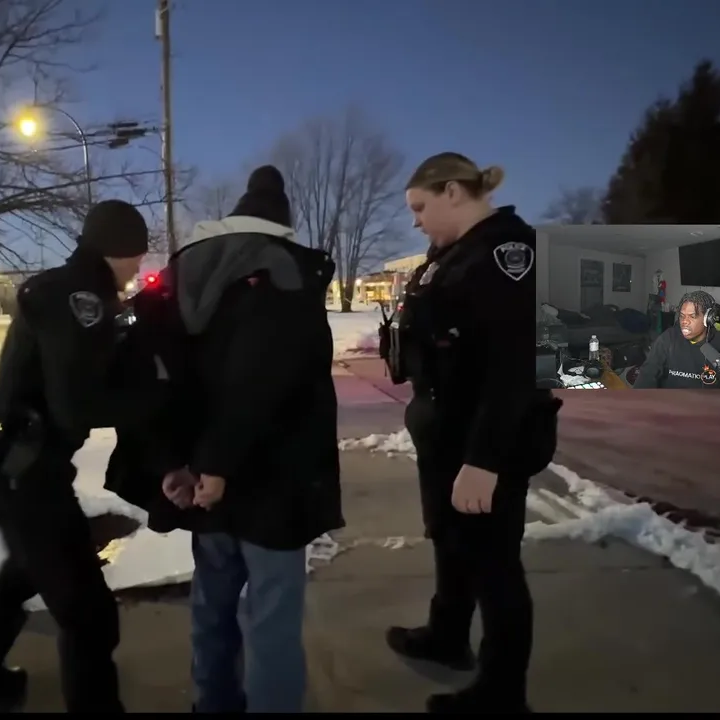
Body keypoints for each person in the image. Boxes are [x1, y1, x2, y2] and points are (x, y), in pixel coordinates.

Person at [110, 166, 343, 713]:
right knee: (272, 615)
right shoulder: (281, 270)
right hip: (273, 478)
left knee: (212, 600)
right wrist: (218, 465)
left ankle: (212, 701)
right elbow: (262, 378)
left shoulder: (180, 273)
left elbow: (151, 377)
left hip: (199, 480)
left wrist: (176, 462)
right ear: (281, 225)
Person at [0, 199, 150, 714]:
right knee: (89, 616)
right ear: (117, 250)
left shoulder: (77, 292)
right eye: (136, 254)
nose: (139, 265)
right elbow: (76, 405)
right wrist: (154, 398)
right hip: (23, 471)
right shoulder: (79, 299)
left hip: (10, 463)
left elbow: (85, 365)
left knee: (23, 570)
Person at [384, 152, 560, 713]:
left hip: (485, 443)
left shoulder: (508, 254)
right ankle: (448, 634)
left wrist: (484, 461)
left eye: (420, 207)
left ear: (453, 192)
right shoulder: (454, 254)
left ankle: (502, 693)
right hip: (446, 433)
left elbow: (517, 367)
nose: (415, 221)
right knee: (451, 541)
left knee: (494, 564)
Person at [633, 290, 720, 389]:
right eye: (682, 316)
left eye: (692, 316)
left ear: (708, 319)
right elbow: (646, 376)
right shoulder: (667, 339)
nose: (684, 321)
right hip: (672, 405)